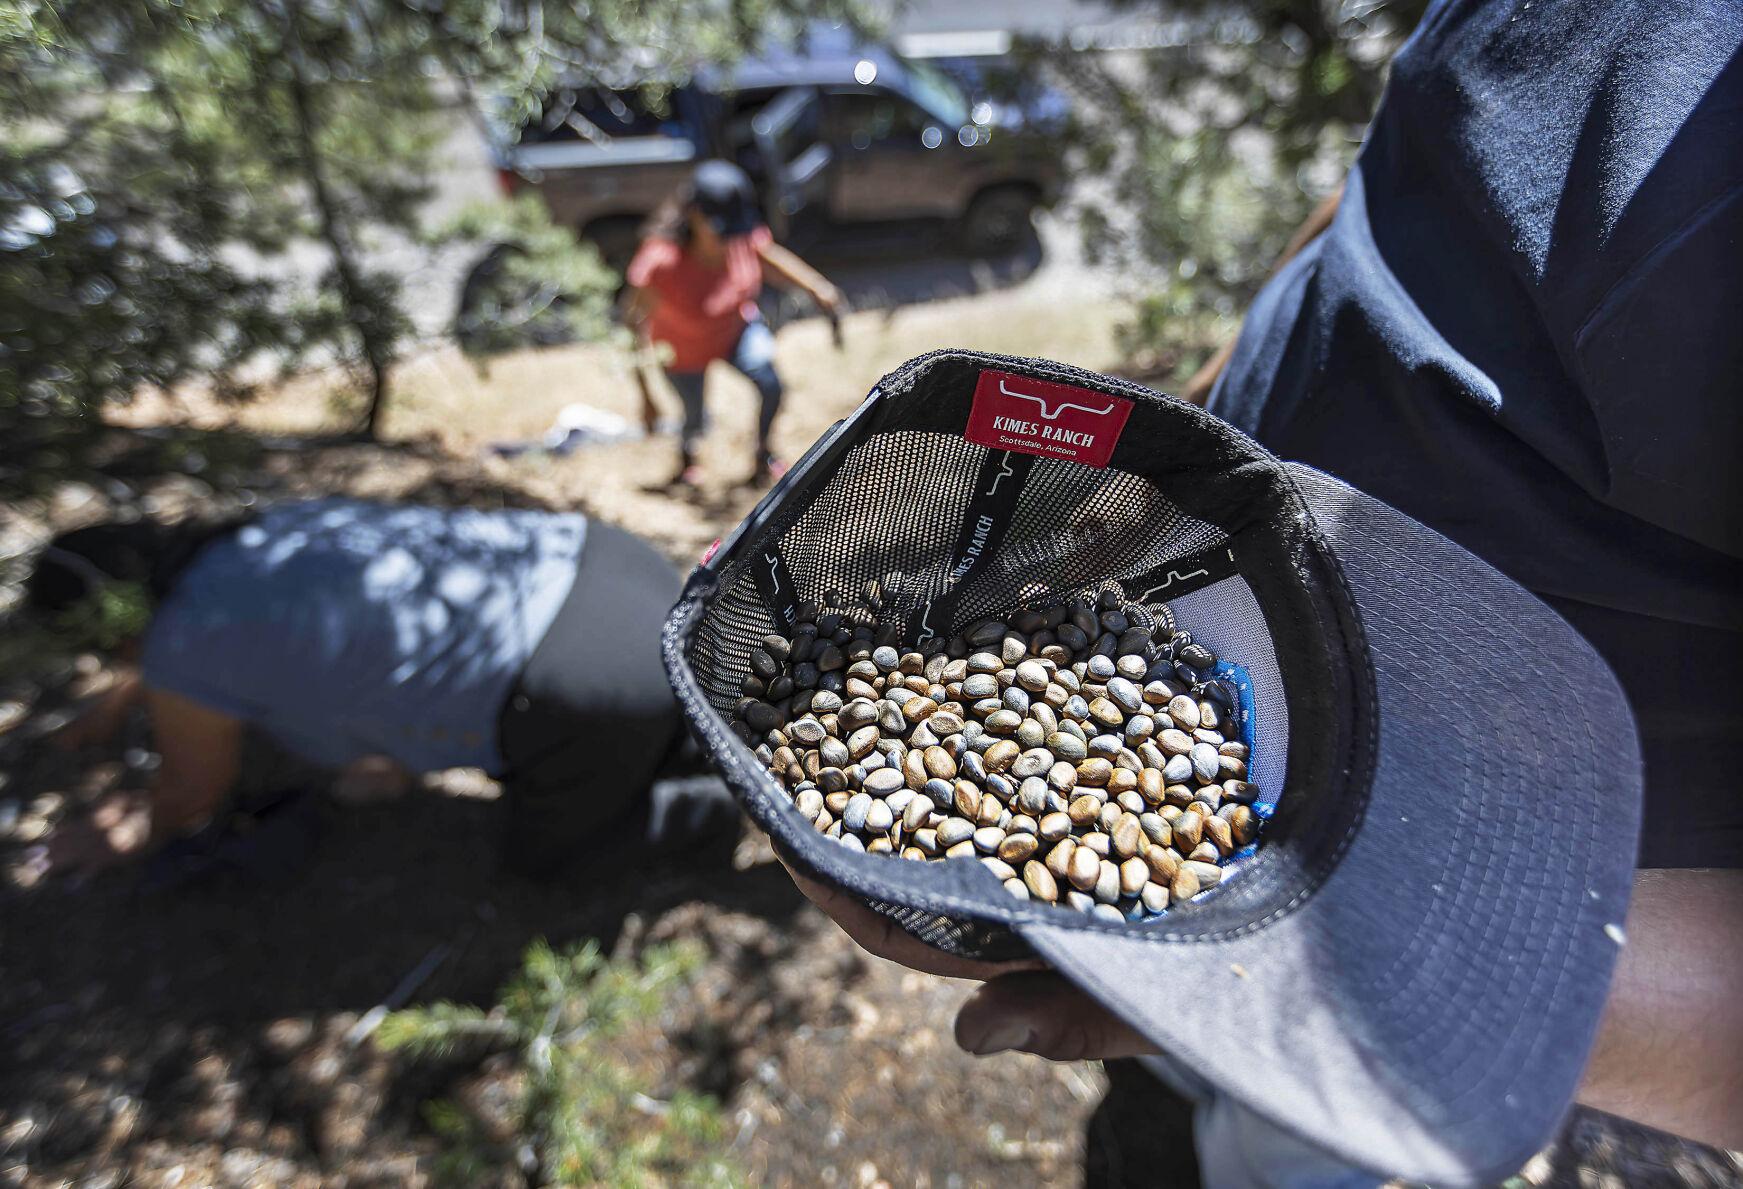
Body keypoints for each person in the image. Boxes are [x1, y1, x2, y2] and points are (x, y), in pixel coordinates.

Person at [785, 1, 1743, 1183]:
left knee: (1281, 1145)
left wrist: (1442, 981)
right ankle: (1172, 1073)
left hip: (1441, 906)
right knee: (1158, 1024)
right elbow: (1402, 169)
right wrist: (1197, 430)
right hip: (1199, 650)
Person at [25, 499, 737, 882]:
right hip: (611, 562)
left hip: (582, 679)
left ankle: (708, 808)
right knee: (619, 733)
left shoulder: (183, 648)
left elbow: (189, 798)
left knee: (543, 860)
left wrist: (124, 830)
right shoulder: (248, 531)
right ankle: (673, 739)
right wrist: (124, 696)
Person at [624, 159, 843, 486]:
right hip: (681, 352)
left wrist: (816, 287)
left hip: (734, 331)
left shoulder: (738, 235)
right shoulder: (660, 263)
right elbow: (631, 323)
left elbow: (767, 253)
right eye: (720, 231)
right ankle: (688, 458)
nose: (730, 242)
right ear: (694, 215)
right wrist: (645, 394)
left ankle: (763, 453)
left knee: (771, 384)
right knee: (695, 416)